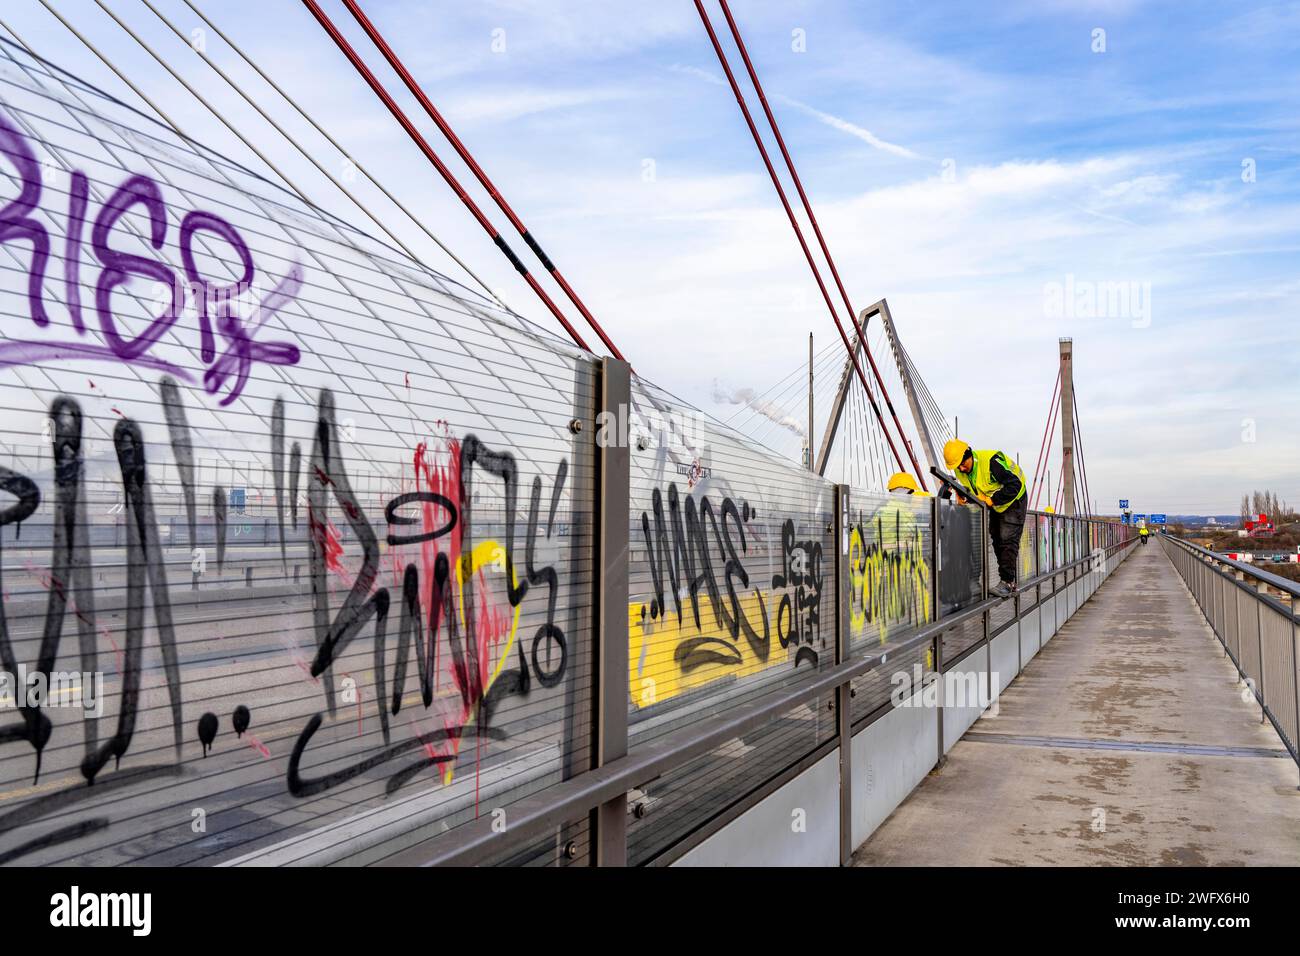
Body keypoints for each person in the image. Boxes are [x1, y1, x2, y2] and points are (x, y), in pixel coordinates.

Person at [942, 439, 1027, 598]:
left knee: (1008, 538)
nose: (960, 468)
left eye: (962, 464)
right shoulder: (962, 470)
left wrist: (992, 500)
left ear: (969, 455)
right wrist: (963, 496)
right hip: (996, 503)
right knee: (997, 538)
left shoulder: (990, 462)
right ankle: (1008, 580)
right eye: (957, 467)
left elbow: (1014, 485)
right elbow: (975, 490)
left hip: (1014, 499)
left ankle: (1007, 582)